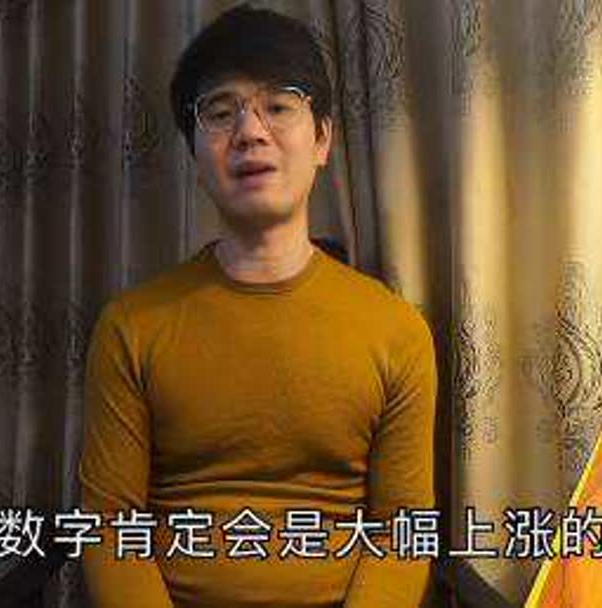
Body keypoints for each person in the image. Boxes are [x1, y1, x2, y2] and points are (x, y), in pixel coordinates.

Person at [78, 5, 437, 607]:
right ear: (195, 151)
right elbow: (109, 523)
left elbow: (402, 530)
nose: (250, 131)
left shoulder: (396, 332)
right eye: (221, 112)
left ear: (322, 138)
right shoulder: (130, 328)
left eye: (279, 105)